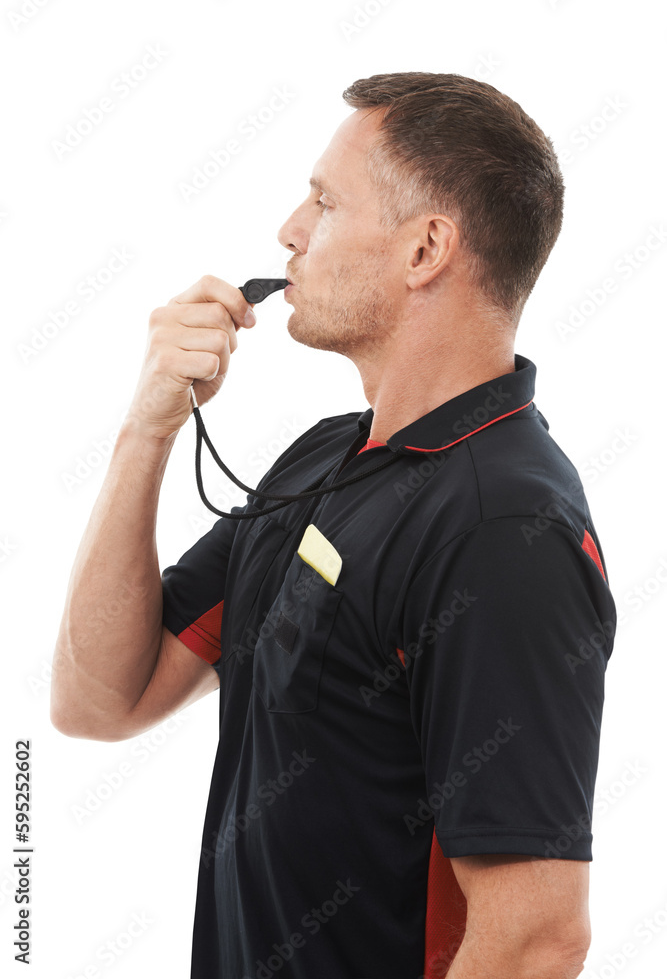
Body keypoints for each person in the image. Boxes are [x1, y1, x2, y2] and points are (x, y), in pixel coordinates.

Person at [50, 72, 616, 979]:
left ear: (425, 247)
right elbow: (98, 701)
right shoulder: (324, 460)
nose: (289, 231)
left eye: (324, 200)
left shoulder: (505, 528)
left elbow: (536, 938)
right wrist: (146, 428)